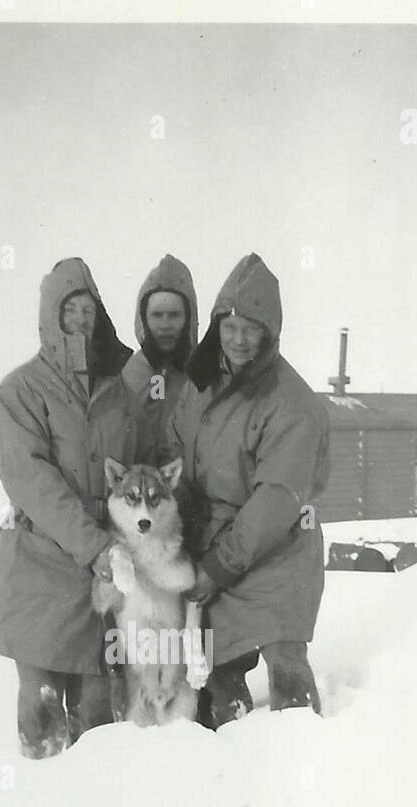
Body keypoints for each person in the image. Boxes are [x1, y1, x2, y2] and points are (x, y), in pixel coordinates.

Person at [164, 251, 332, 726]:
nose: (238, 339)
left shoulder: (291, 404)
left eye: (250, 328)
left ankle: (302, 756)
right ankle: (232, 772)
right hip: (217, 548)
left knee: (286, 668)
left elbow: (276, 501)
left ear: (269, 333)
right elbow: (176, 459)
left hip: (277, 551)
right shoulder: (200, 388)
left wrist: (217, 566)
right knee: (220, 676)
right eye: (229, 326)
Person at [0, 257, 135, 757]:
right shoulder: (19, 391)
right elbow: (33, 482)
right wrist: (96, 546)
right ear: (51, 316)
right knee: (42, 703)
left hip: (99, 576)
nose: (82, 319)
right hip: (39, 565)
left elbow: (136, 470)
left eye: (89, 309)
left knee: (96, 709)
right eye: (70, 309)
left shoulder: (119, 391)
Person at [122, 254, 198, 467]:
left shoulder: (205, 373)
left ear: (188, 318)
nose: (165, 325)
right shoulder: (127, 374)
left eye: (174, 315)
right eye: (157, 315)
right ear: (144, 318)